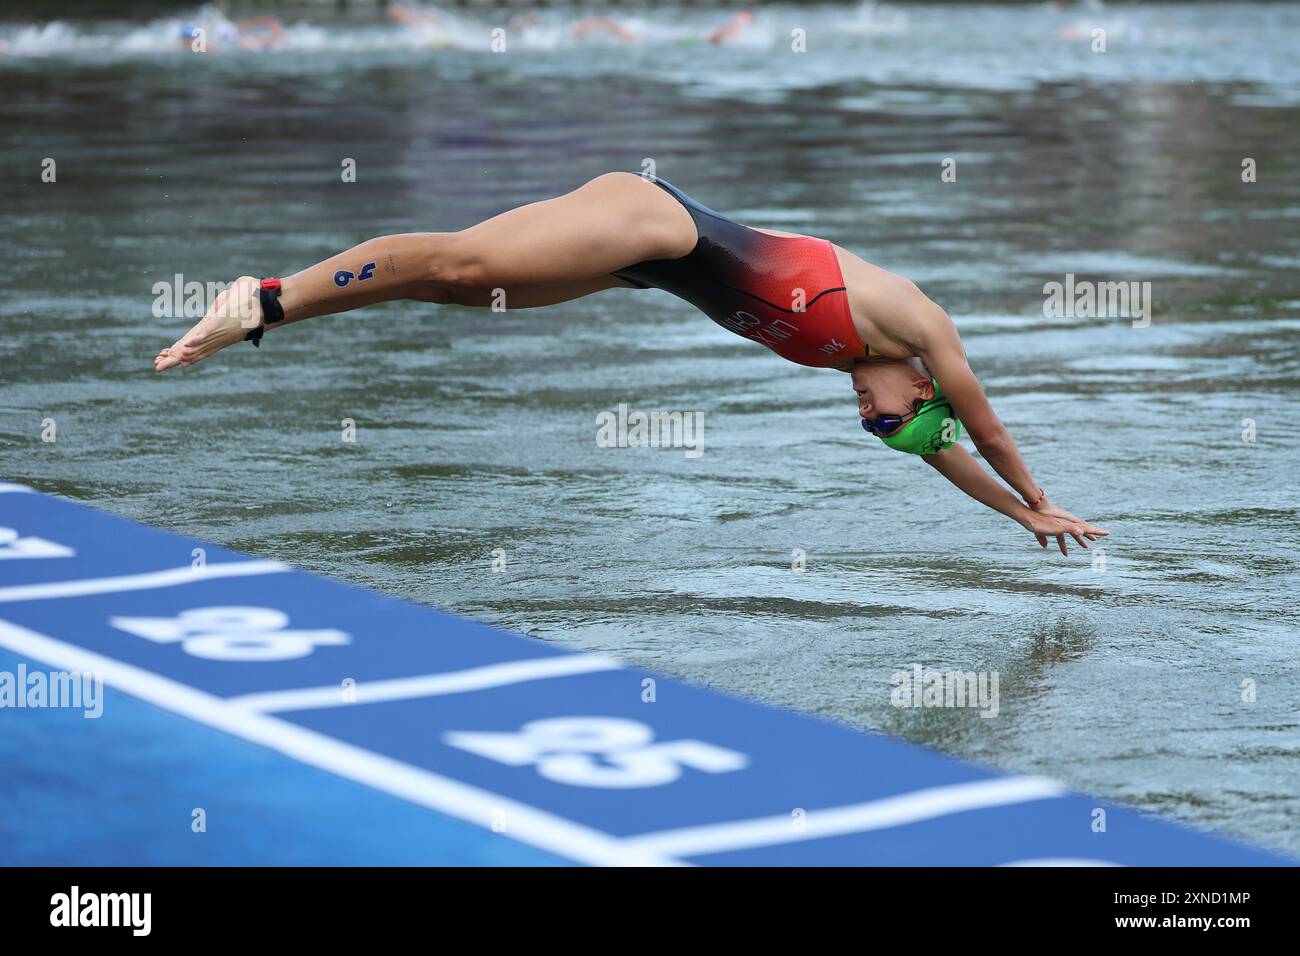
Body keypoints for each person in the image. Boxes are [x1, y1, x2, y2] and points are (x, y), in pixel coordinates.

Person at [156, 172, 1108, 555]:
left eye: (875, 429)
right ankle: (263, 298)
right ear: (925, 392)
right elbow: (980, 432)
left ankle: (267, 316)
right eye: (888, 418)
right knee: (464, 261)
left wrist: (1025, 524)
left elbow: (948, 459)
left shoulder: (863, 374)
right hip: (654, 221)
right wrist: (1038, 490)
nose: (868, 416)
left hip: (639, 269)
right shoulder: (919, 327)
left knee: (455, 292)